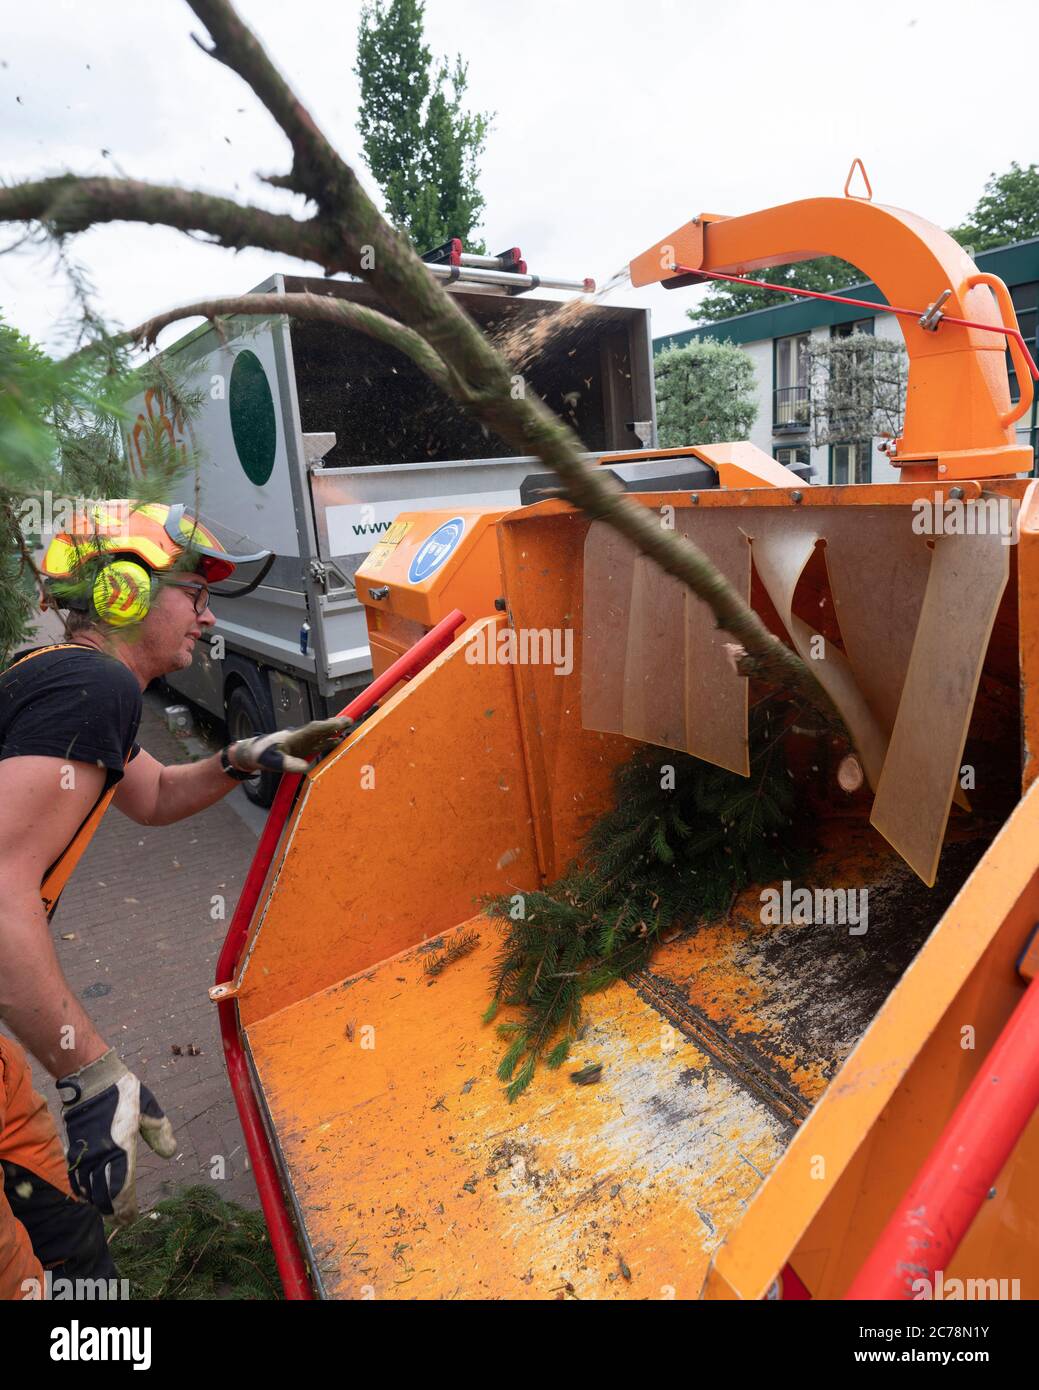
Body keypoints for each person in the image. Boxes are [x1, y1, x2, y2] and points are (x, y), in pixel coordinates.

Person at [0, 501, 349, 1299]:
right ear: (126, 592)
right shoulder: (89, 685)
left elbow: (151, 795)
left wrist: (240, 758)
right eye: (193, 592)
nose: (206, 613)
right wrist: (89, 1074)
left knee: (68, 1242)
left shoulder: (72, 683)